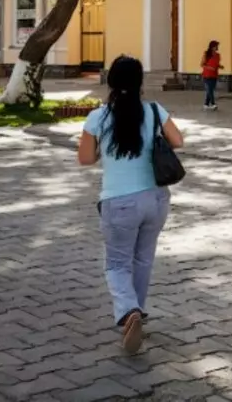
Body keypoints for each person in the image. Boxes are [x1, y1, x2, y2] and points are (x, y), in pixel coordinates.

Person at [78, 55, 184, 354]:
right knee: (143, 259)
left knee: (116, 263)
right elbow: (178, 141)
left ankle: (128, 311)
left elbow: (85, 158)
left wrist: (104, 151)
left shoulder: (98, 117)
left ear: (111, 82)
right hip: (156, 199)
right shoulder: (153, 110)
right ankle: (134, 312)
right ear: (140, 82)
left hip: (119, 201)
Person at [201, 41, 223, 110]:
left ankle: (206, 104)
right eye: (216, 46)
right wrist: (209, 68)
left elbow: (216, 64)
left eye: (217, 46)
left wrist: (220, 66)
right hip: (206, 75)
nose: (217, 47)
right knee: (209, 89)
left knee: (210, 90)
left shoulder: (218, 55)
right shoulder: (206, 54)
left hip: (214, 75)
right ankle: (213, 104)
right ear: (212, 46)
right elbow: (202, 64)